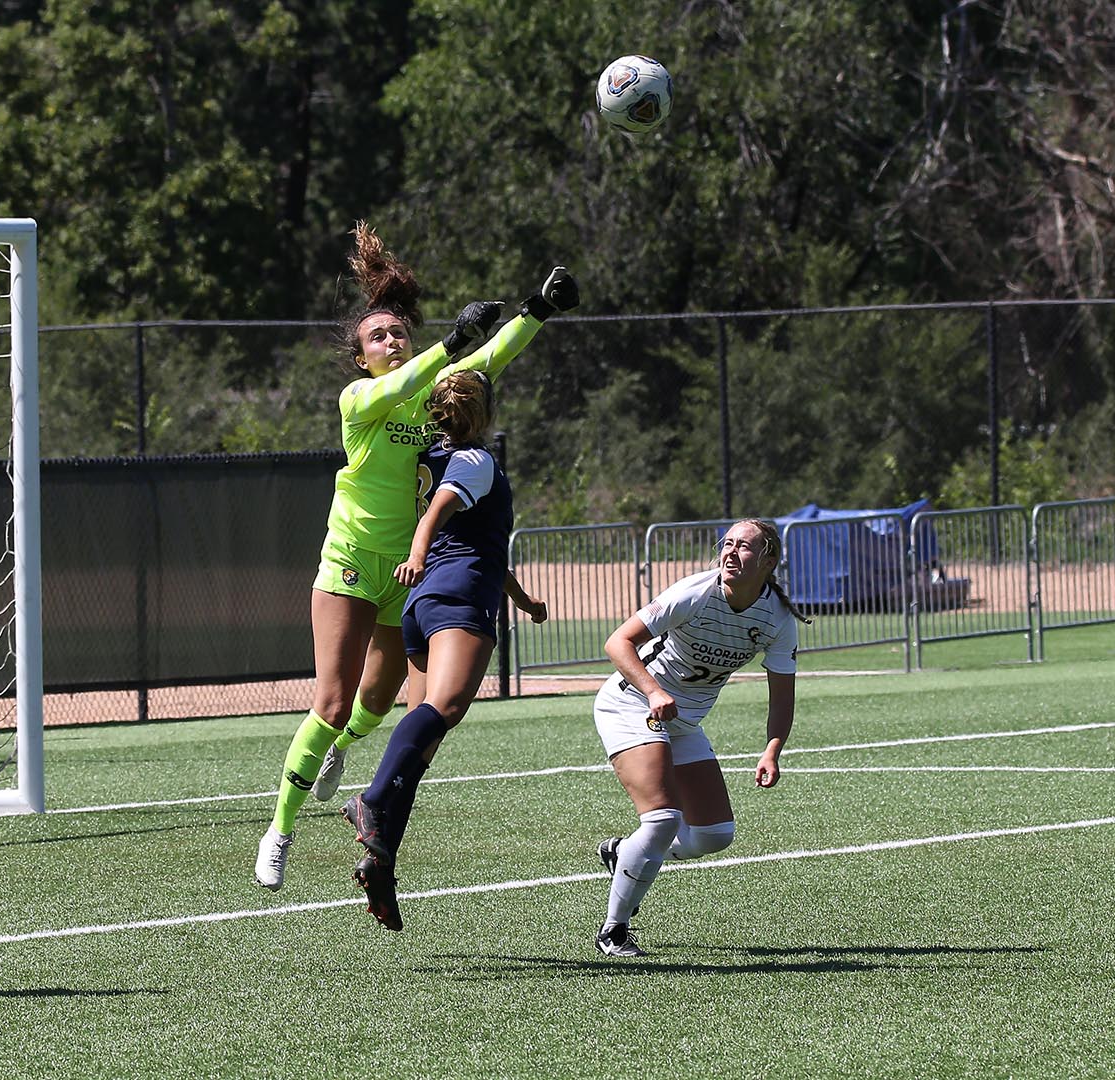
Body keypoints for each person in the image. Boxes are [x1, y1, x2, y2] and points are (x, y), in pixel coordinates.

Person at [253, 223, 577, 890]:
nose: (392, 341)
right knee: (333, 700)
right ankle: (280, 829)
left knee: (379, 701)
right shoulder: (358, 400)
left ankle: (343, 753)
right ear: (360, 358)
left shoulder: (431, 397)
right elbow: (413, 378)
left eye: (399, 333)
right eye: (378, 337)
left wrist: (538, 309)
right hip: (351, 560)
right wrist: (451, 342)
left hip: (409, 569)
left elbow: (490, 360)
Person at [339, 370, 548, 930]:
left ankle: (382, 863)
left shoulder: (430, 458)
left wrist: (522, 599)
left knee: (420, 748)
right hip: (457, 593)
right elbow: (438, 516)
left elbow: (476, 537)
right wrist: (416, 555)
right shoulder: (475, 460)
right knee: (447, 707)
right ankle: (370, 801)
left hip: (425, 602)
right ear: (487, 412)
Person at [590, 518, 804, 957]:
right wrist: (654, 691)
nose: (731, 552)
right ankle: (614, 931)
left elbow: (782, 695)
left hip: (683, 721)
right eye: (727, 543)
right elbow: (617, 643)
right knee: (663, 819)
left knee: (714, 834)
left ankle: (626, 853)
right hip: (631, 704)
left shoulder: (778, 619)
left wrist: (772, 750)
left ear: (768, 561)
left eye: (744, 546)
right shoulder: (696, 592)